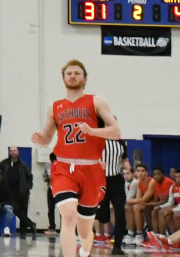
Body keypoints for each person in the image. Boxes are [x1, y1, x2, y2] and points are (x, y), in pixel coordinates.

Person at [30, 60, 122, 257]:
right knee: (68, 216)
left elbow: (116, 132)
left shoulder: (96, 101)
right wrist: (41, 139)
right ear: (63, 78)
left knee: (85, 230)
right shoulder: (54, 106)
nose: (73, 76)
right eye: (69, 73)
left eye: (77, 73)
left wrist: (93, 131)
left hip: (91, 169)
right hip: (64, 167)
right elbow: (47, 138)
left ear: (85, 79)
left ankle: (86, 250)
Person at [99, 142, 131, 255]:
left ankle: (117, 245)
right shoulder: (97, 139)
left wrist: (128, 165)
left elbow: (124, 159)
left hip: (116, 180)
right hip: (101, 180)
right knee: (103, 216)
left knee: (120, 213)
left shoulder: (121, 143)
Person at [0, 146, 34, 235]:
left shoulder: (23, 165)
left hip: (22, 192)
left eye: (14, 150)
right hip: (10, 192)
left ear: (18, 152)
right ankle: (31, 224)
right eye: (11, 151)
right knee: (15, 209)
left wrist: (27, 187)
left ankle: (23, 231)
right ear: (9, 152)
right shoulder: (4, 163)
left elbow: (30, 177)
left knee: (24, 211)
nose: (13, 152)